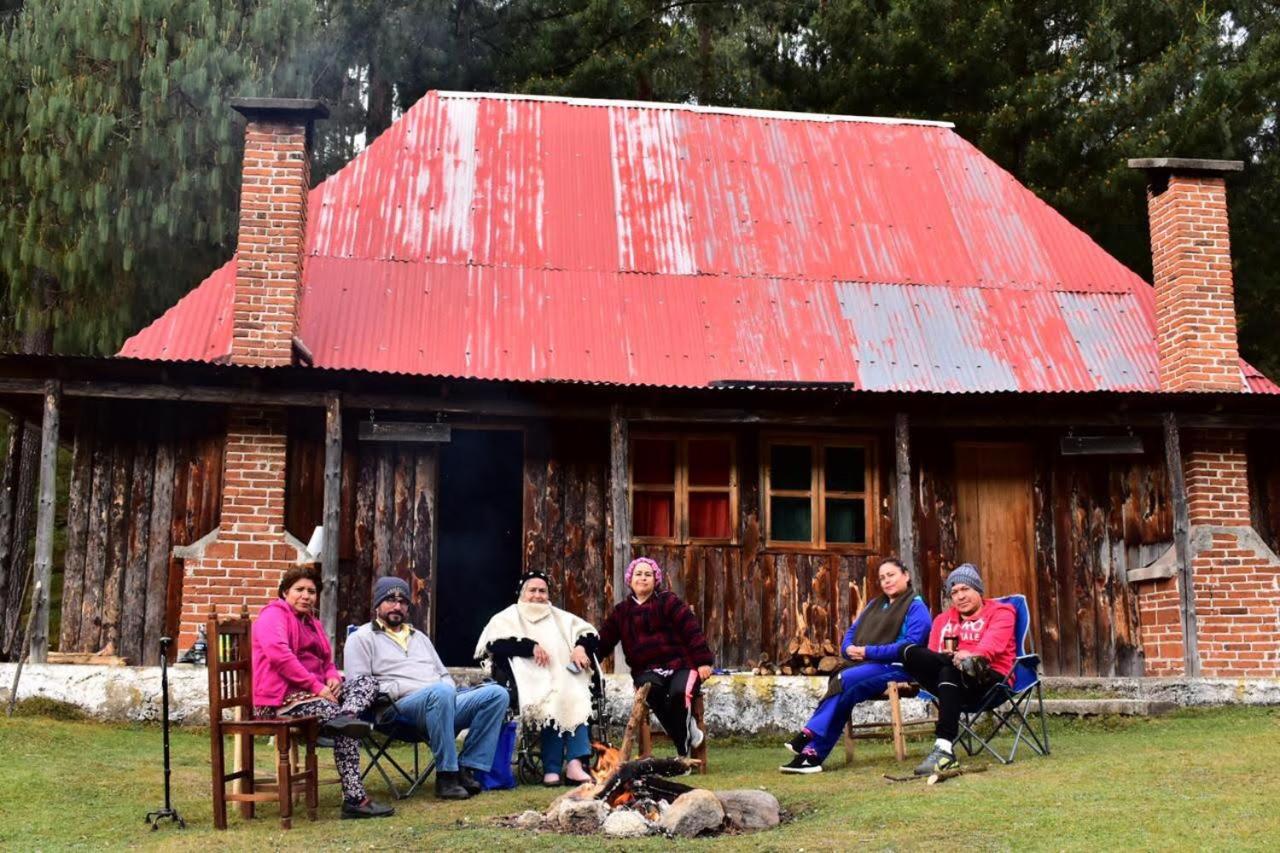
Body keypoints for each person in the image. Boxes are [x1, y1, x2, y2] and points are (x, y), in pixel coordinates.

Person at [344, 576, 509, 800]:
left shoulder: (418, 637)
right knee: (439, 692)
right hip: (396, 709)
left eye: (402, 602)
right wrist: (409, 688)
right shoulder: (362, 638)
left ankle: (466, 767)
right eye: (390, 600)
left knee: (497, 694)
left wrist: (448, 690)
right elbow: (358, 684)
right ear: (377, 604)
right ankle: (446, 777)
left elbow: (443, 675)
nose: (397, 606)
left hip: (441, 701)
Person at [251, 565, 394, 820]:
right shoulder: (273, 616)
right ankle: (355, 799)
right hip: (279, 699)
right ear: (285, 592)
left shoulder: (313, 623)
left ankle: (345, 717)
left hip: (317, 695)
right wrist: (316, 686)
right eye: (299, 590)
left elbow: (326, 660)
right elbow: (280, 656)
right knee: (338, 717)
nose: (306, 596)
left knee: (366, 683)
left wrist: (330, 677)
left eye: (312, 591)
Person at [780, 558, 931, 773]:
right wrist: (848, 648)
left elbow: (909, 646)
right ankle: (810, 756)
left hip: (901, 667)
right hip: (870, 665)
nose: (886, 581)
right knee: (844, 687)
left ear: (905, 576)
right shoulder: (874, 605)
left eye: (891, 575)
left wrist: (867, 652)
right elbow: (851, 634)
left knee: (844, 680)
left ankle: (809, 738)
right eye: (882, 578)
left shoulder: (916, 607)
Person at [475, 570, 599, 786]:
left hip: (565, 673)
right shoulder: (507, 617)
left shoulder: (560, 616)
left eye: (543, 591)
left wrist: (580, 647)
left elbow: (589, 633)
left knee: (576, 693)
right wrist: (529, 646)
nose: (538, 595)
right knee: (550, 700)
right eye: (532, 590)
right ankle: (551, 768)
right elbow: (494, 643)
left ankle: (575, 764)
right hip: (529, 678)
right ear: (522, 593)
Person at [901, 563, 1017, 775]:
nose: (960, 596)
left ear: (978, 590)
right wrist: (954, 659)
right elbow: (933, 653)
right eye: (954, 592)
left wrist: (972, 656)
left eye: (965, 589)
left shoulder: (1002, 612)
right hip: (951, 684)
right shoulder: (942, 620)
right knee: (909, 653)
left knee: (954, 669)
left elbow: (993, 644)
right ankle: (944, 751)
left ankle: (944, 748)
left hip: (991, 678)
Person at [597, 557, 714, 757]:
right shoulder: (622, 612)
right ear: (630, 579)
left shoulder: (669, 601)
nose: (643, 578)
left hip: (681, 665)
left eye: (648, 575)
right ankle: (688, 734)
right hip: (646, 670)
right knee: (651, 692)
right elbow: (604, 640)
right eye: (638, 574)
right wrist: (586, 654)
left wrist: (703, 661)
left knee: (678, 694)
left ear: (655, 580)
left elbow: (691, 630)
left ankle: (681, 755)